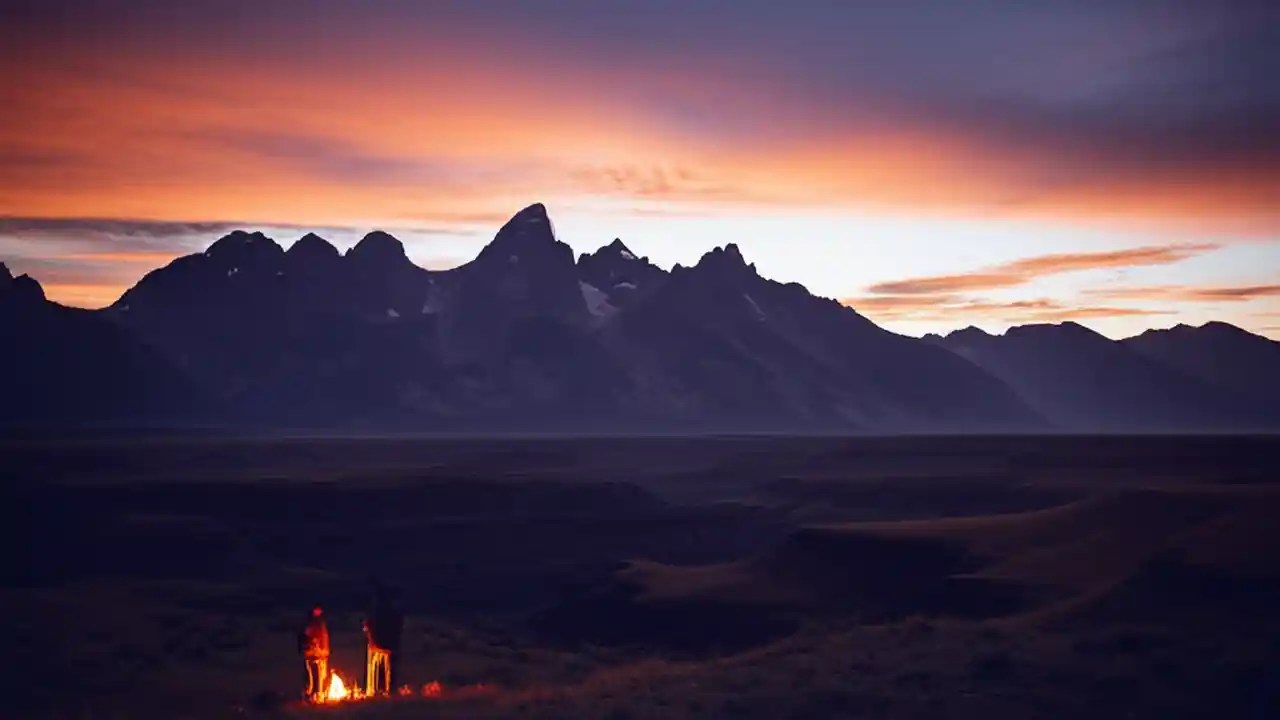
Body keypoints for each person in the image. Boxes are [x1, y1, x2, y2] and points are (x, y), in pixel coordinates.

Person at [364, 581, 404, 695]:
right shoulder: (391, 612)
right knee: (387, 669)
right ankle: (385, 690)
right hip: (387, 643)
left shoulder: (377, 611)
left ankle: (381, 690)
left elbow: (370, 624)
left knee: (382, 668)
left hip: (382, 643)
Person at [297, 606, 331, 702]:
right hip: (312, 654)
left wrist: (324, 650)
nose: (318, 612)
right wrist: (312, 644)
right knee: (311, 676)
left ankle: (318, 694)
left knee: (321, 675)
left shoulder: (321, 623)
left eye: (319, 611)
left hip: (321, 653)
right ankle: (311, 694)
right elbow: (307, 636)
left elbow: (324, 637)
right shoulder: (310, 624)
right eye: (316, 611)